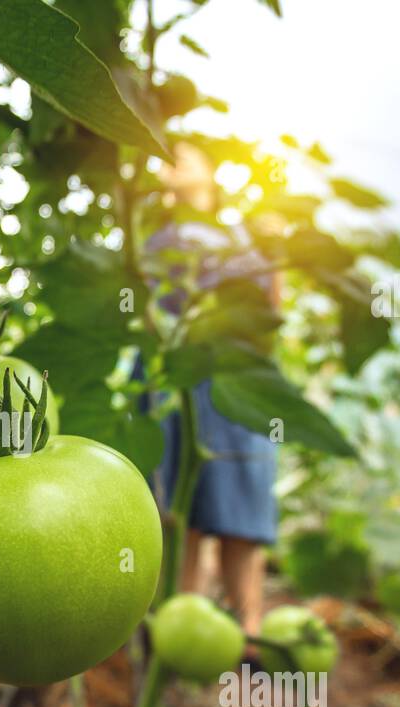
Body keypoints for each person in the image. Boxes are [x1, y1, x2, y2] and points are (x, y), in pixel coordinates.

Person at [143, 143, 279, 637]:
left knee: (242, 501)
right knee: (183, 509)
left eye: (182, 156)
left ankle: (250, 632)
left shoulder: (245, 238)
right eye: (162, 159)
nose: (167, 165)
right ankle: (181, 625)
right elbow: (148, 314)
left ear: (212, 171)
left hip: (234, 381)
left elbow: (269, 313)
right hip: (179, 383)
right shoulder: (156, 238)